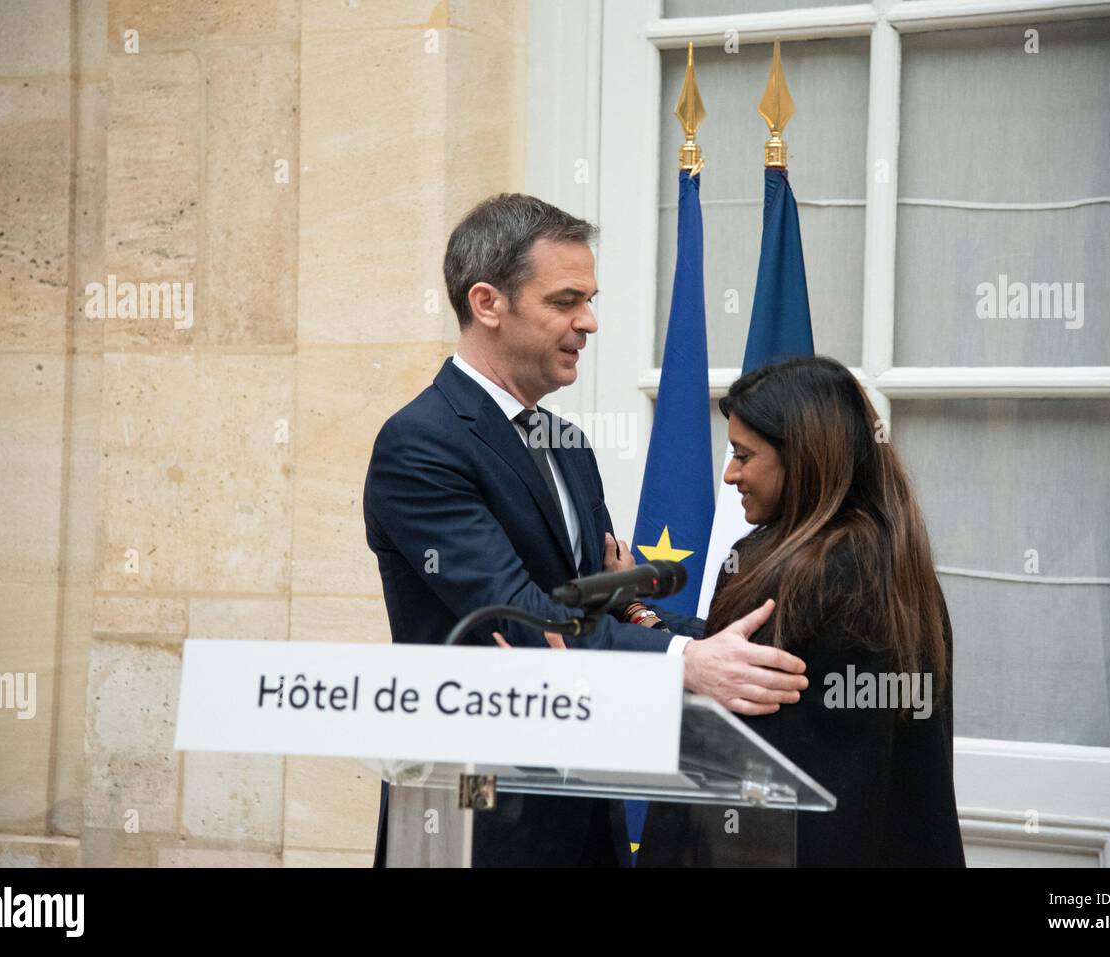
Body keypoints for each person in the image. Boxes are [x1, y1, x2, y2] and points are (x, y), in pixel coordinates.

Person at [363, 193, 810, 868]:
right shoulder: (419, 444)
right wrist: (686, 663)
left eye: (589, 298)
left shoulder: (566, 442)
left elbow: (601, 606)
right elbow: (521, 617)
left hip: (581, 807)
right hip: (477, 817)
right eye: (565, 301)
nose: (589, 321)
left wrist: (740, 641)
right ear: (488, 303)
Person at [637, 356, 966, 867]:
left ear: (806, 457)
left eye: (744, 455)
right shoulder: (888, 557)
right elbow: (750, 659)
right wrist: (649, 622)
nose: (730, 475)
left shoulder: (813, 574)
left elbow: (735, 725)